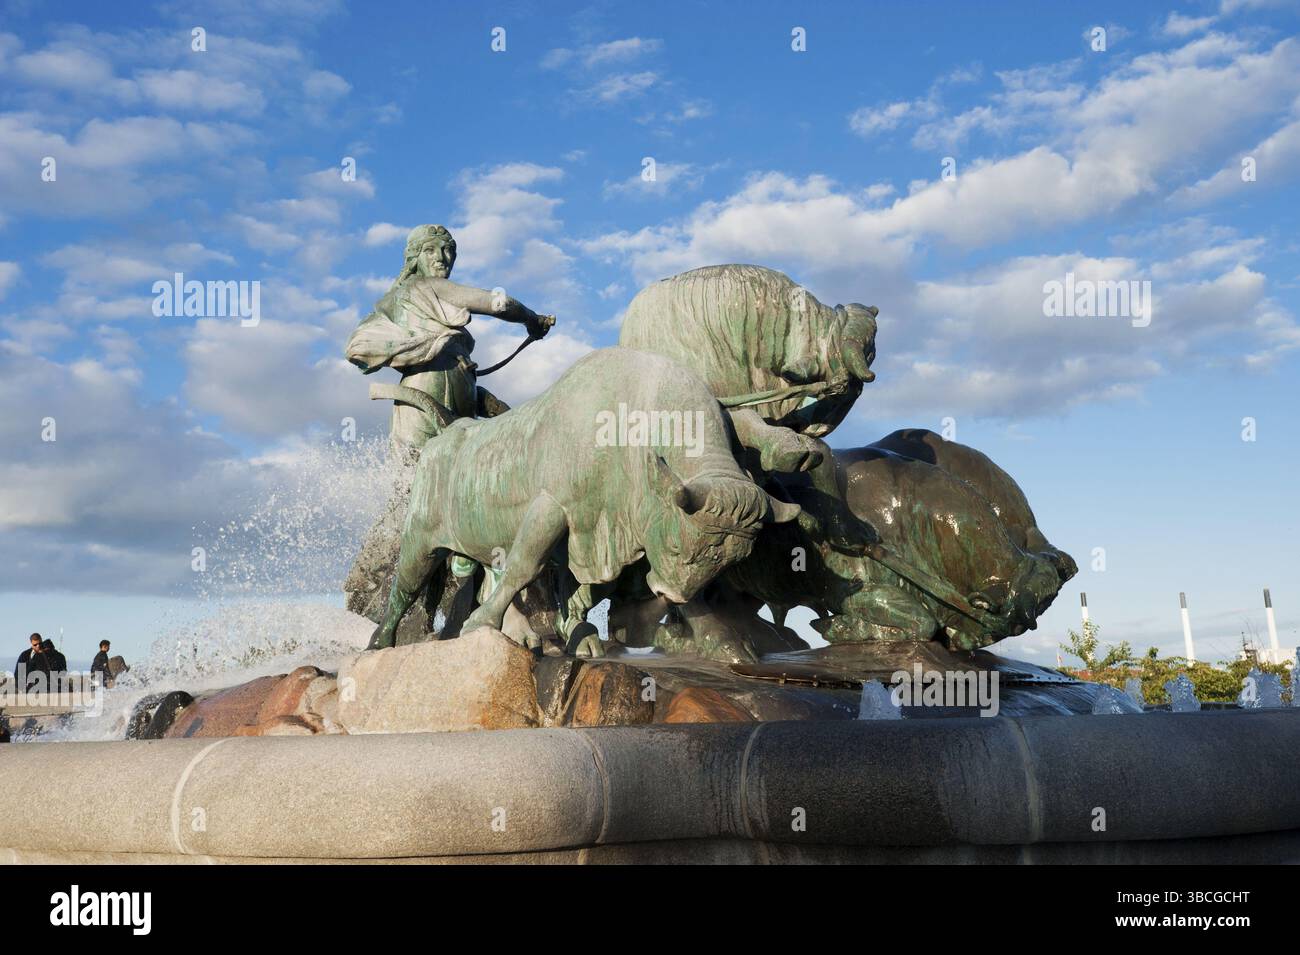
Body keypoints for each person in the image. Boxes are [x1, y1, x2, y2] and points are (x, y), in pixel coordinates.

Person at [344, 224, 555, 450]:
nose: (442, 258)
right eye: (430, 250)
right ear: (415, 258)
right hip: (430, 391)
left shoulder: (393, 301)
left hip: (444, 391)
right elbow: (498, 304)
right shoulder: (428, 286)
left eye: (448, 250)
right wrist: (532, 319)